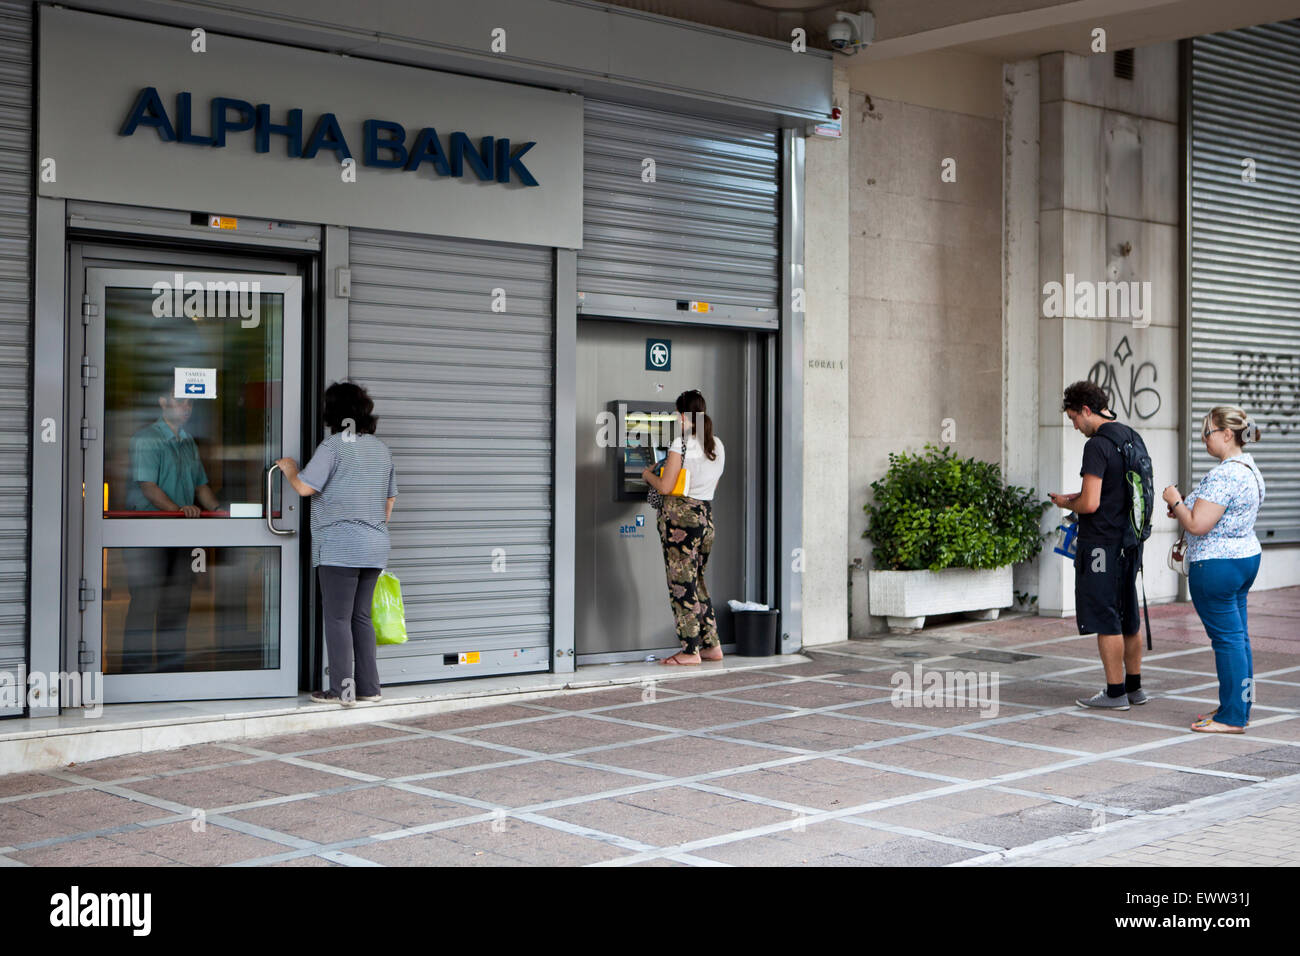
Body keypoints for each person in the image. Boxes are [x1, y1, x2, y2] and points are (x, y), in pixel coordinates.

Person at [277, 382, 397, 706]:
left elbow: (304, 488)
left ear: (334, 412)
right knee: (361, 617)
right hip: (375, 546)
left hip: (340, 546)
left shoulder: (332, 446)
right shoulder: (380, 448)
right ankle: (370, 689)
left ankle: (342, 691)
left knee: (338, 619)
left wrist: (289, 470)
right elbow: (388, 504)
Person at [1162, 406, 1265, 734]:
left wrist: (1175, 501)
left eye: (1207, 432)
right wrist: (1183, 506)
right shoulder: (1248, 468)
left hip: (1217, 565)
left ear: (1226, 434)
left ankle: (1231, 717)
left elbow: (1197, 524)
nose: (1204, 438)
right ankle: (1238, 706)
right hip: (1244, 559)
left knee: (1227, 640)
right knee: (1239, 637)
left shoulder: (1224, 474)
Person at [1049, 380, 1149, 711]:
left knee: (1105, 616)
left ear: (1087, 410)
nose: (1075, 426)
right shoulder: (1132, 437)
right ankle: (1135, 688)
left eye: (1074, 418)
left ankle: (1114, 692)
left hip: (1101, 547)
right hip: (1130, 542)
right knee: (1128, 614)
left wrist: (1066, 502)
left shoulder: (1097, 446)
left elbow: (1090, 503)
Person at [122, 391, 221, 673]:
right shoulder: (147, 439)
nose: (186, 407)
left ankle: (171, 670)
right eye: (180, 401)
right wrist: (180, 509)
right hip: (148, 532)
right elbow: (148, 487)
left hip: (181, 532)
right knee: (145, 602)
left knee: (178, 602)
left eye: (190, 402)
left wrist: (221, 511)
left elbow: (200, 485)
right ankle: (135, 671)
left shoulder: (187, 441)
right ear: (162, 402)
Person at [642, 389, 726, 665]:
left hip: (680, 522)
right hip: (705, 519)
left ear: (682, 415)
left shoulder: (682, 443)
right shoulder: (716, 444)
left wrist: (646, 475)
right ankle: (711, 646)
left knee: (681, 585)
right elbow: (710, 486)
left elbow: (666, 486)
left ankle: (690, 650)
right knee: (697, 581)